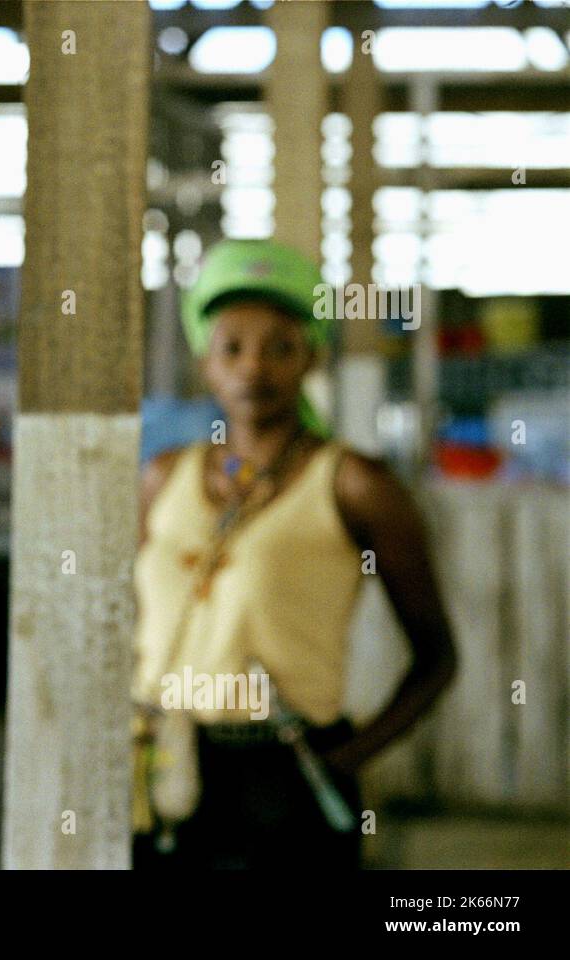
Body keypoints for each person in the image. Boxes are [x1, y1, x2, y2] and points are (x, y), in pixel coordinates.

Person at [130, 238, 457, 870]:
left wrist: (343, 762)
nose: (254, 367)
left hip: (285, 776)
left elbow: (437, 659)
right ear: (206, 362)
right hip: (165, 764)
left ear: (312, 356)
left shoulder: (354, 483)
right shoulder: (163, 477)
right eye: (232, 347)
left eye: (281, 346)